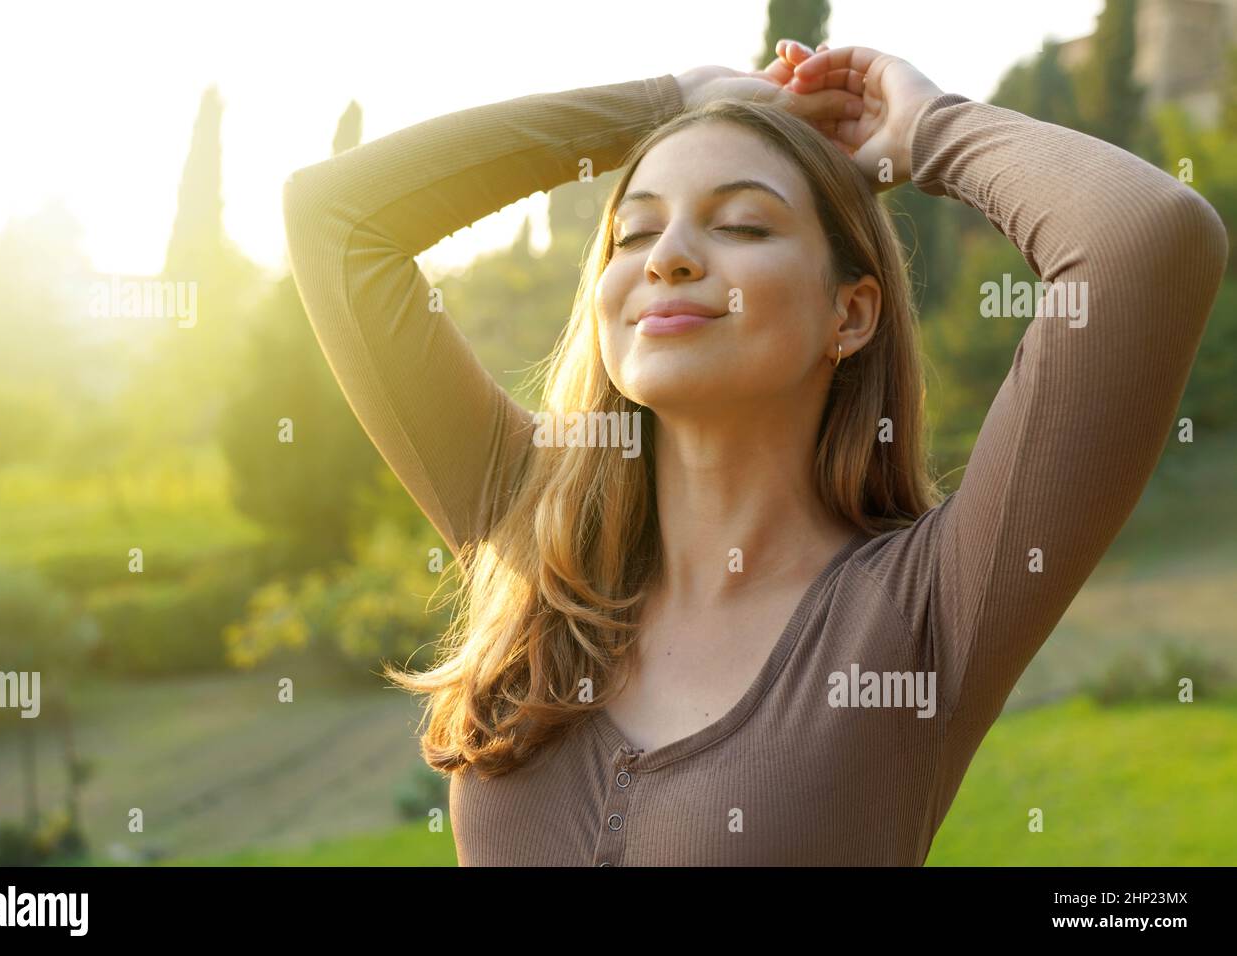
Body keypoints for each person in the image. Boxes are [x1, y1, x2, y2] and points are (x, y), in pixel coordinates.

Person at [281, 41, 1227, 865]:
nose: (668, 256)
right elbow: (335, 218)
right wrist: (663, 104)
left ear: (850, 313)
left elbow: (1144, 235)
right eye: (635, 230)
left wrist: (929, 130)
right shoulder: (533, 532)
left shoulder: (926, 610)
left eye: (740, 224)